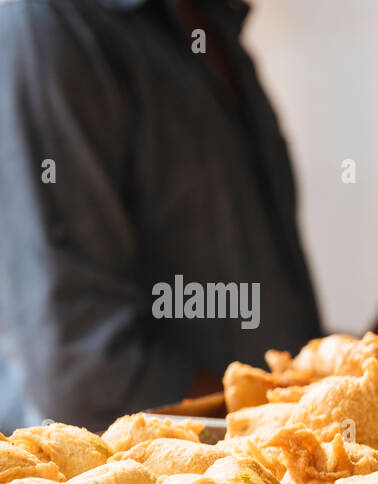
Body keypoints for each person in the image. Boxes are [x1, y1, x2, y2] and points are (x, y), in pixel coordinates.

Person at [0, 0, 324, 431]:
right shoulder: (52, 22)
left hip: (270, 469)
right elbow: (80, 369)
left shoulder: (210, 21)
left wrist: (340, 367)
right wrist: (287, 416)